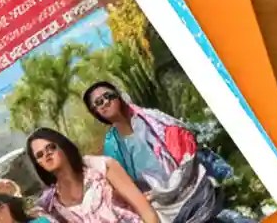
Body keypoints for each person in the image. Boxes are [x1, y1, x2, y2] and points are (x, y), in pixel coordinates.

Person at [82, 82, 237, 223]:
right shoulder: (112, 145)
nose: (105, 103)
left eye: (108, 96)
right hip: (163, 209)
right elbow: (122, 183)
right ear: (96, 112)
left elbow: (186, 145)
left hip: (195, 188)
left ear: (118, 96)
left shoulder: (152, 119)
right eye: (98, 103)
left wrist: (179, 180)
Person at [26, 127, 158, 223]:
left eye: (50, 147)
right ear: (38, 164)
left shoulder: (102, 167)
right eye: (39, 155)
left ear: (62, 145)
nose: (46, 154)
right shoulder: (53, 204)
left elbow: (145, 210)